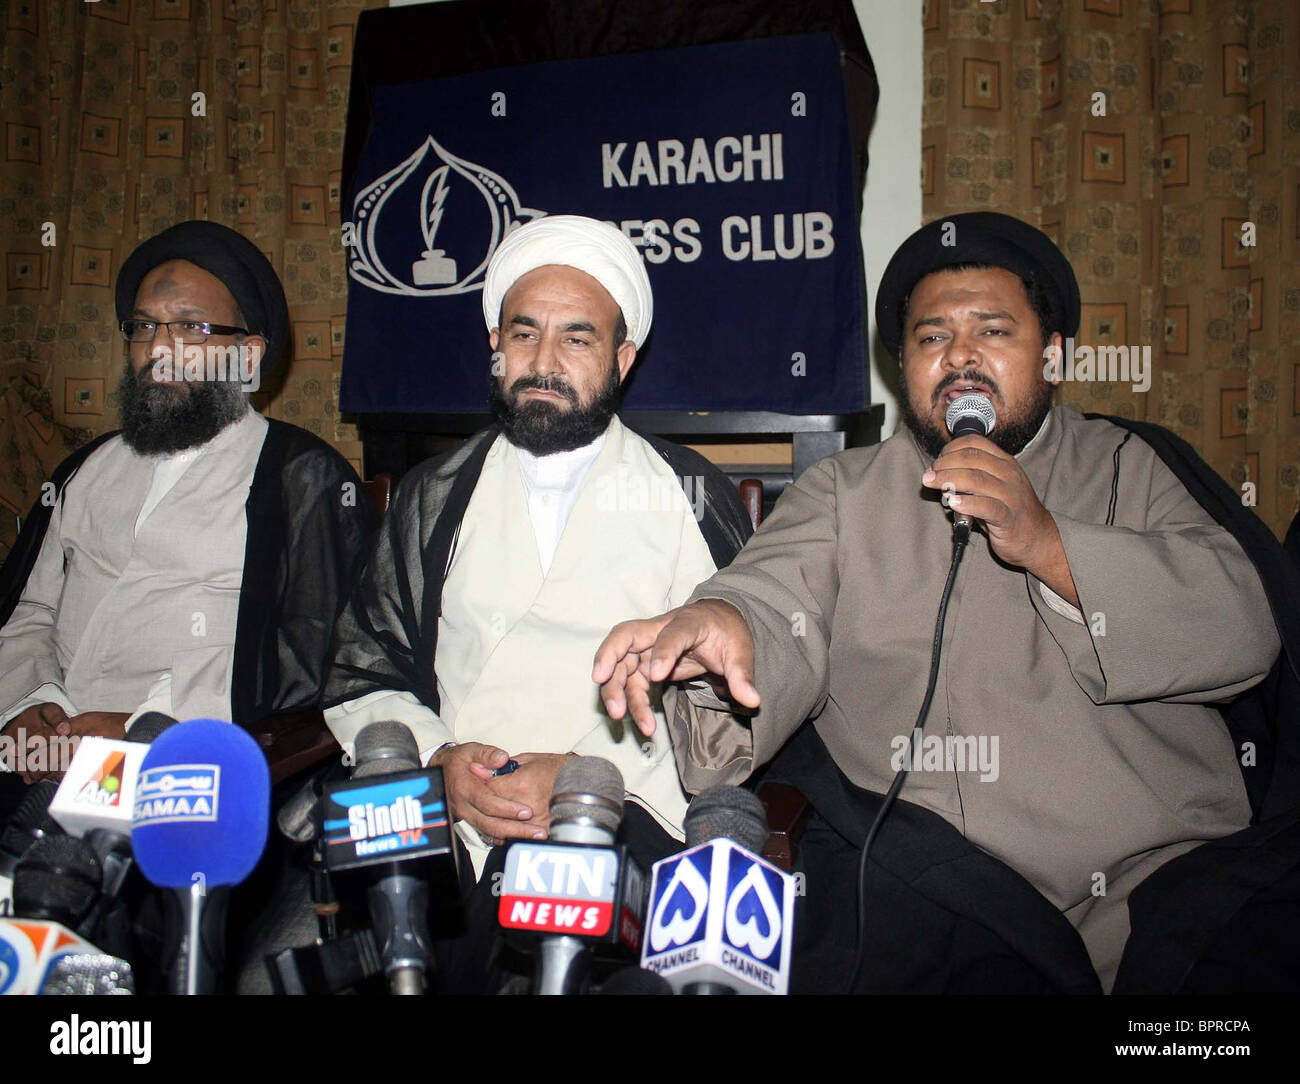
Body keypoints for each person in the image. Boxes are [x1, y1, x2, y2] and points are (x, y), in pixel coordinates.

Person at [594, 212, 1286, 994]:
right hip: (932, 890)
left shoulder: (1135, 463)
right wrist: (722, 625)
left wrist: (1050, 543)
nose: (959, 356)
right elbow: (771, 595)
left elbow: (1246, 627)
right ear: (903, 367)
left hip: (1156, 888)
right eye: (931, 338)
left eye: (992, 330)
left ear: (1053, 355)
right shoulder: (844, 492)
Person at [323, 216, 751, 988]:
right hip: (454, 821)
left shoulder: (687, 494)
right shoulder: (433, 496)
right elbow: (367, 665)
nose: (544, 362)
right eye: (525, 335)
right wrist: (438, 763)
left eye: (578, 339)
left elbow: (742, 698)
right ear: (496, 345)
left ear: (623, 359)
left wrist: (591, 778)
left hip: (629, 814)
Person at [0, 220, 375, 785]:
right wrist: (28, 704)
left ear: (247, 355)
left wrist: (149, 721)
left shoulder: (300, 477)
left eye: (191, 328)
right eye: (144, 326)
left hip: (185, 760)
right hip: (39, 752)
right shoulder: (85, 469)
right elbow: (31, 610)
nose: (158, 350)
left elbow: (318, 647)